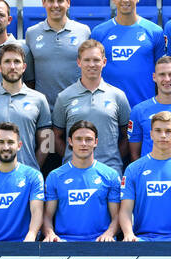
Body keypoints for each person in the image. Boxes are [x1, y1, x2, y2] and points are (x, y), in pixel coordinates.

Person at [119, 111, 171, 241]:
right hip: (142, 240)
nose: (163, 135)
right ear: (151, 134)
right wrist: (128, 234)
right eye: (158, 130)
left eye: (168, 131)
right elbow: (125, 210)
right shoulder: (133, 169)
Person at [52, 40, 132, 173]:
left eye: (96, 60)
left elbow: (127, 135)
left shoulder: (118, 96)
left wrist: (114, 157)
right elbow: (55, 136)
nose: (92, 65)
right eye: (87, 60)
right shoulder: (64, 97)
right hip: (73, 171)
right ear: (79, 62)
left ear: (104, 62)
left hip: (110, 169)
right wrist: (74, 157)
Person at [0, 43, 52, 171]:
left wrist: (34, 170)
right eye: (7, 62)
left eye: (17, 62)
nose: (12, 66)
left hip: (27, 176)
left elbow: (47, 143)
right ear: (0, 67)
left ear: (24, 67)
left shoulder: (39, 99)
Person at [91, 0, 166, 105]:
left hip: (144, 107)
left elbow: (162, 73)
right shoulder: (99, 33)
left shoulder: (155, 32)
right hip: (108, 107)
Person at [42, 120, 121, 242]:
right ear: (70, 141)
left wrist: (109, 234)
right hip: (64, 242)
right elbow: (47, 216)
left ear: (96, 142)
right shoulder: (55, 176)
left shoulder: (110, 175)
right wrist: (50, 234)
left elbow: (117, 216)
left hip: (100, 242)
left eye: (88, 139)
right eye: (78, 139)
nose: (83, 143)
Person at [24, 0, 92, 108]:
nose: (55, 5)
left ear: (68, 3)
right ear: (43, 2)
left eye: (60, 0)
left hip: (76, 105)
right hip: (44, 108)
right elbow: (29, 77)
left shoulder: (83, 31)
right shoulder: (31, 33)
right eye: (50, 0)